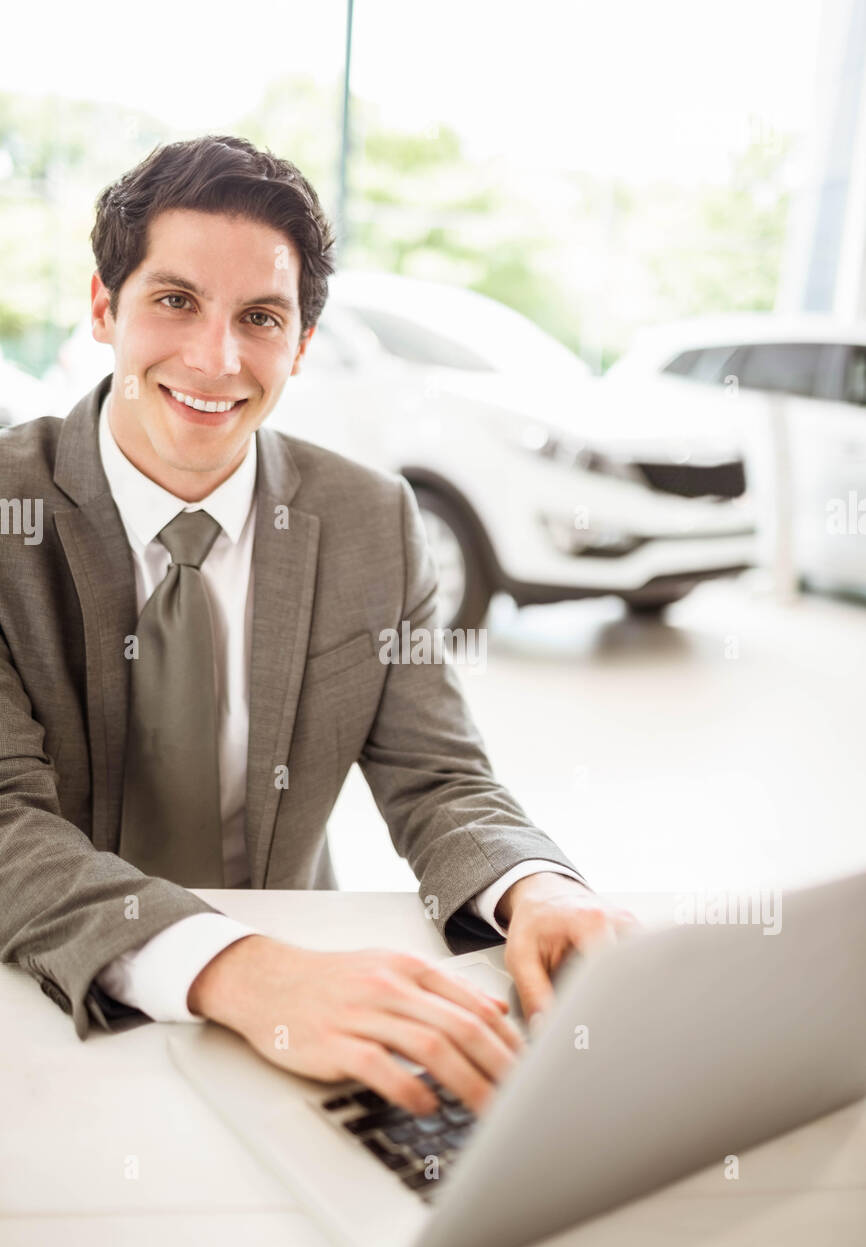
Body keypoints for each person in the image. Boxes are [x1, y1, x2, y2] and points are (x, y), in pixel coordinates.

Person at [0, 134, 635, 1117]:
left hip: (303, 1019)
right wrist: (240, 970)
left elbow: (438, 775)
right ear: (101, 309)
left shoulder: (370, 522)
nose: (215, 357)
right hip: (53, 1000)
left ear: (298, 344)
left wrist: (532, 885)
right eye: (174, 300)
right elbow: (7, 822)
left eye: (259, 317)